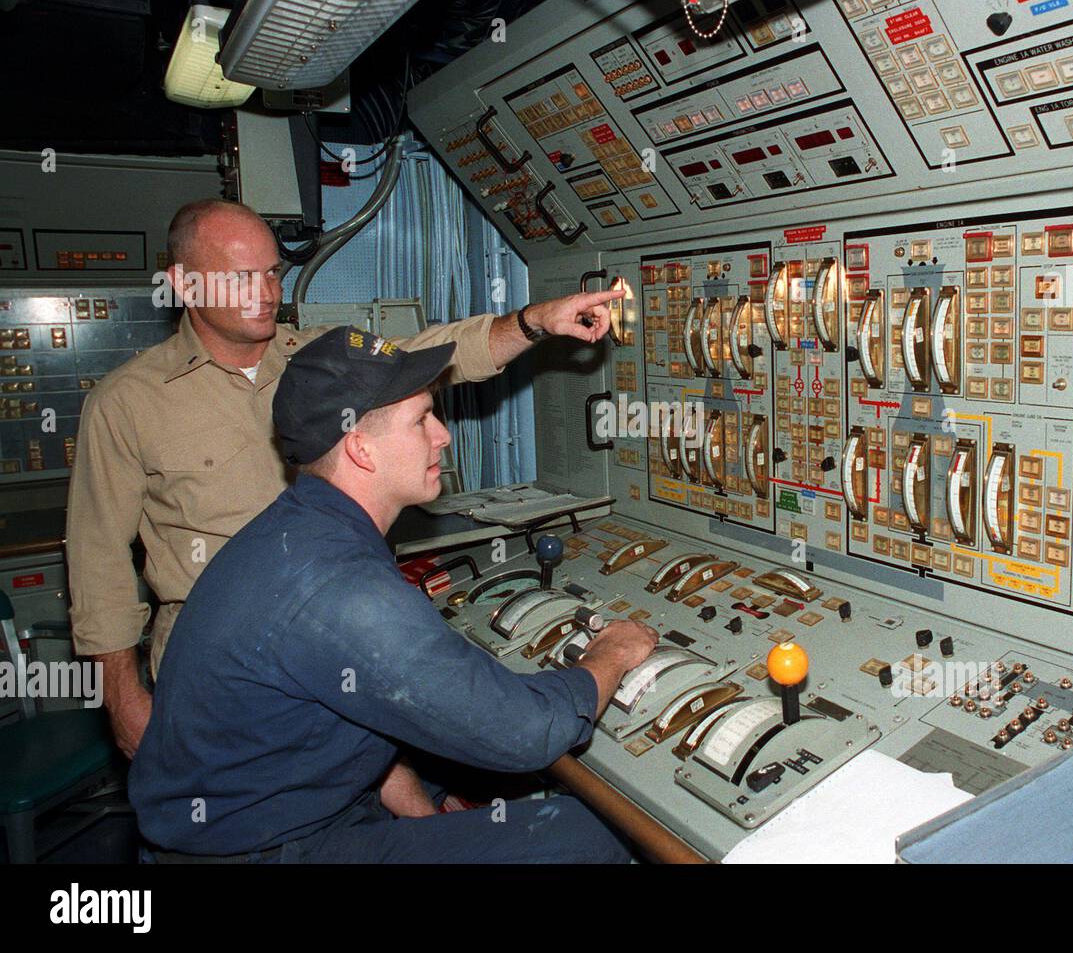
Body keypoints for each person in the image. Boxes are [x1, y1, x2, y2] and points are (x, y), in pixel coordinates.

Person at [66, 198, 624, 761]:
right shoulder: (128, 402)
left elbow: (433, 353)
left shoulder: (317, 360)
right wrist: (122, 696)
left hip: (345, 646)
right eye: (240, 277)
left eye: (271, 273)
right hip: (220, 677)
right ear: (184, 286)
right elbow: (97, 560)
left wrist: (535, 321)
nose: (265, 292)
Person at [128, 327, 658, 862]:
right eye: (422, 419)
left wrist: (422, 815)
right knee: (590, 835)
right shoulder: (341, 586)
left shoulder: (299, 527)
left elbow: (349, 714)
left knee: (444, 780)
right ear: (361, 450)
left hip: (275, 812)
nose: (443, 435)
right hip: (261, 851)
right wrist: (611, 652)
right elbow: (529, 732)